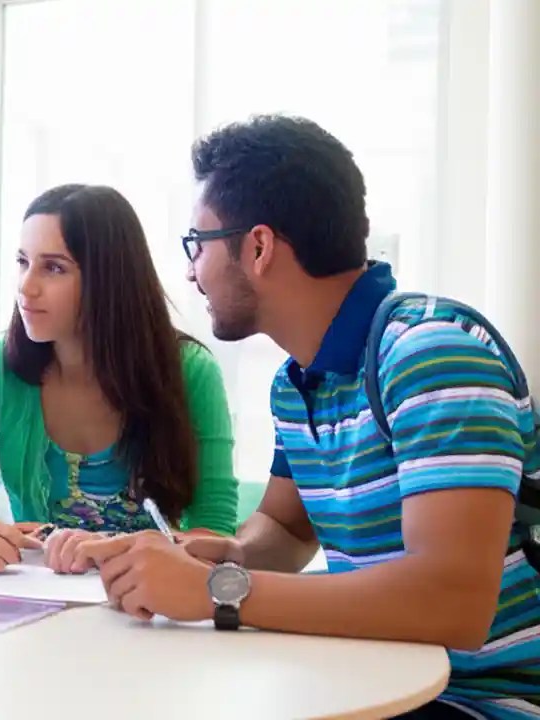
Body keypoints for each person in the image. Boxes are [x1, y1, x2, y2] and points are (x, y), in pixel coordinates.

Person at [79, 114, 540, 719]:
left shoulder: (430, 353)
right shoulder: (293, 384)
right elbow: (288, 531)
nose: (191, 272)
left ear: (260, 247)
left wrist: (219, 593)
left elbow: (453, 603)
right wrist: (220, 556)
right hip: (372, 679)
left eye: (198, 244)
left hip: (483, 701)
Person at [0, 183, 239, 576]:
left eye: (53, 268)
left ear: (109, 279)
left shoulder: (192, 372)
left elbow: (216, 533)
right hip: (40, 606)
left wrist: (118, 548)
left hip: (153, 613)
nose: (26, 287)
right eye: (22, 262)